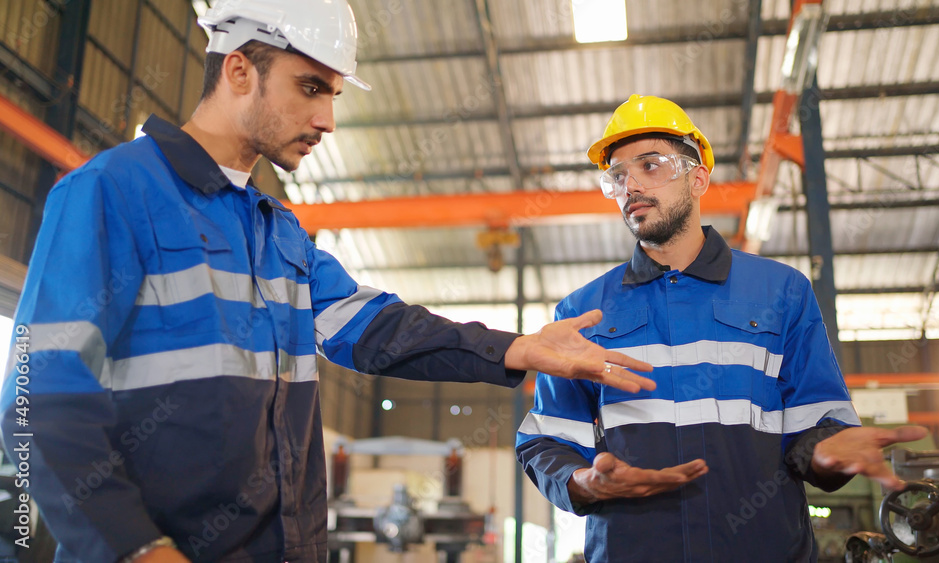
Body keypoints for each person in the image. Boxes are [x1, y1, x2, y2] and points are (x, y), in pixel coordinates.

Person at [0, 2, 656, 562]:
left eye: (334, 95)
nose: (327, 120)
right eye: (310, 87)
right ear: (237, 70)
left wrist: (516, 348)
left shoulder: (279, 231)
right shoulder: (110, 194)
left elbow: (376, 328)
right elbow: (37, 405)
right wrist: (141, 549)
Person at [514, 95, 928, 562]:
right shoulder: (583, 310)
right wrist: (580, 480)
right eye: (617, 175)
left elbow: (815, 420)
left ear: (698, 178)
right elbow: (546, 437)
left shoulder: (781, 292)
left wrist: (828, 447)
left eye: (650, 165)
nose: (630, 185)